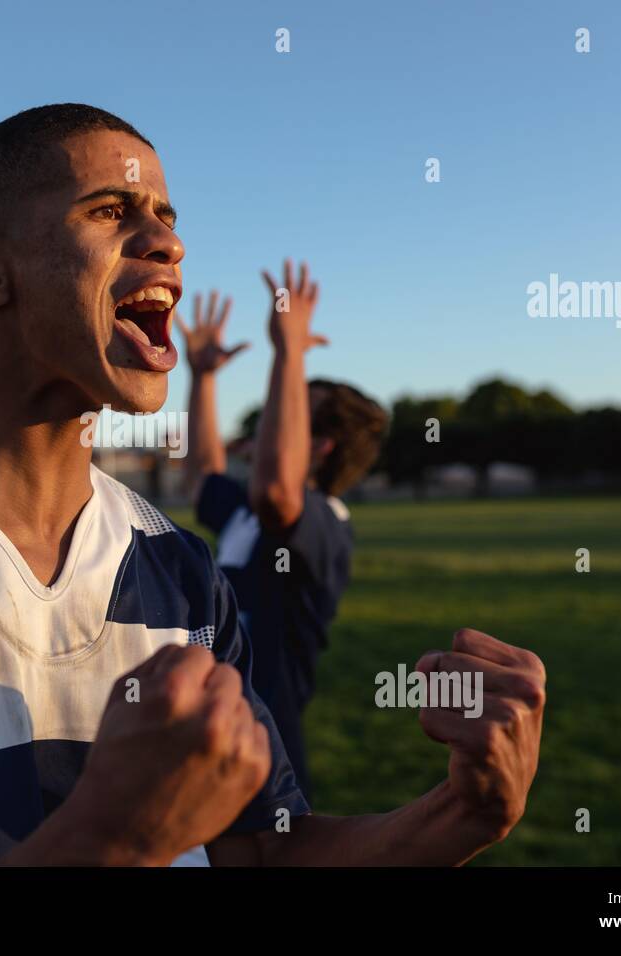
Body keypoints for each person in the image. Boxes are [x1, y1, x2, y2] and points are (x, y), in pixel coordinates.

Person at [0, 103, 545, 866]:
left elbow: (256, 854)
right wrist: (111, 837)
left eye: (168, 218)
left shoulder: (179, 569)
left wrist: (458, 817)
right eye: (110, 211)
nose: (168, 243)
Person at [179, 267, 389, 802]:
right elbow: (200, 478)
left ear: (321, 446)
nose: (275, 409)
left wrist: (289, 352)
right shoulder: (250, 515)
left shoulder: (324, 526)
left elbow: (278, 491)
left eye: (293, 403)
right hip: (208, 734)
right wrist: (203, 378)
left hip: (264, 753)